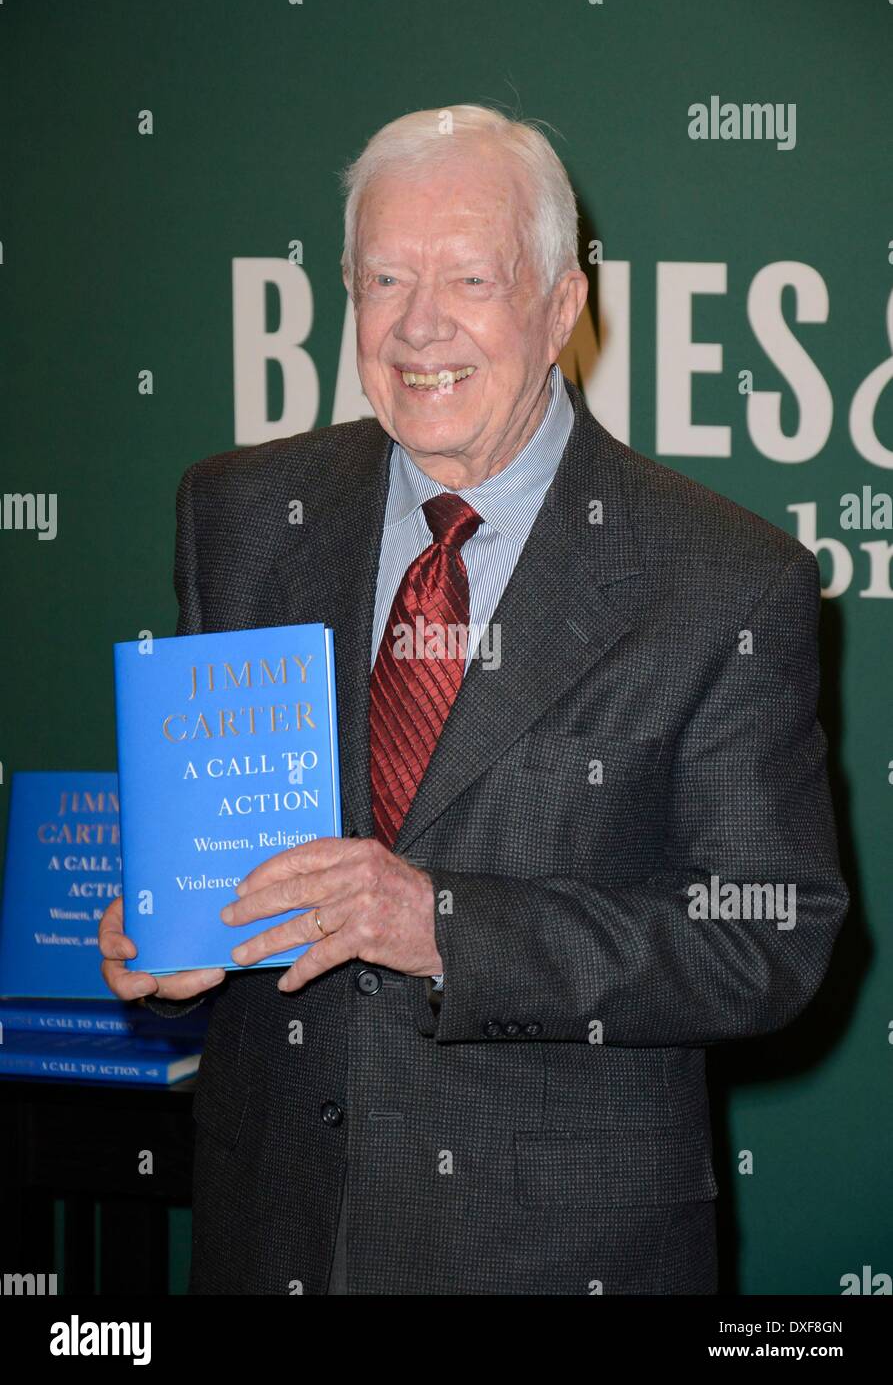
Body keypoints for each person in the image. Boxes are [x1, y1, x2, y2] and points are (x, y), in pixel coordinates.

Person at [99, 104, 848, 1295]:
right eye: (384, 278)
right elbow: (214, 840)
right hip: (273, 1237)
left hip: (556, 1254)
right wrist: (167, 927)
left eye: (469, 278)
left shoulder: (722, 579)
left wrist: (446, 925)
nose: (418, 325)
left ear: (560, 307)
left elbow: (761, 935)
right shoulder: (240, 515)